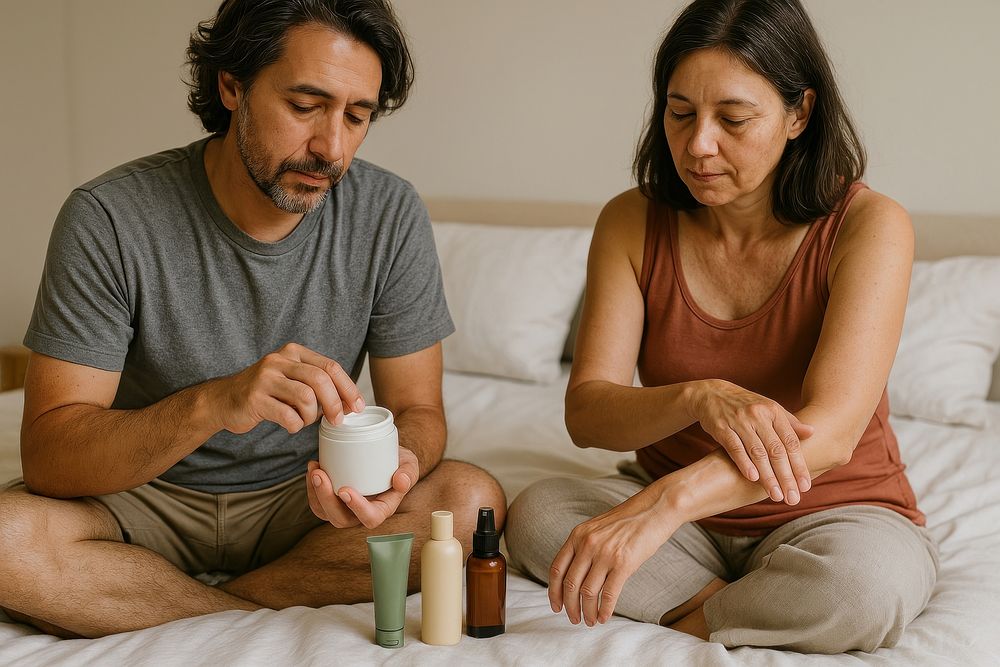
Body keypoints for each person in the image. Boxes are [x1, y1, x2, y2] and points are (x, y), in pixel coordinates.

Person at [0, 0, 505, 639]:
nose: (331, 148)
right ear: (232, 86)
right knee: (5, 542)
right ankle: (252, 615)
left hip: (307, 499)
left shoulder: (389, 212)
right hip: (141, 495)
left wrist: (395, 471)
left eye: (357, 116)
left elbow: (419, 413)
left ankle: (185, 606)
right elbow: (51, 456)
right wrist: (215, 402)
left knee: (468, 501)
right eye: (304, 106)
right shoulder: (109, 217)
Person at [506, 0, 936, 654]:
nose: (698, 144)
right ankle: (729, 604)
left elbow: (834, 432)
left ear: (799, 114)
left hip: (833, 513)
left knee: (864, 590)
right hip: (683, 528)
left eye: (733, 119)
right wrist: (697, 397)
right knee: (537, 513)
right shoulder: (630, 220)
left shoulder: (869, 225)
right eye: (680, 114)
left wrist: (669, 501)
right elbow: (587, 412)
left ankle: (689, 611)